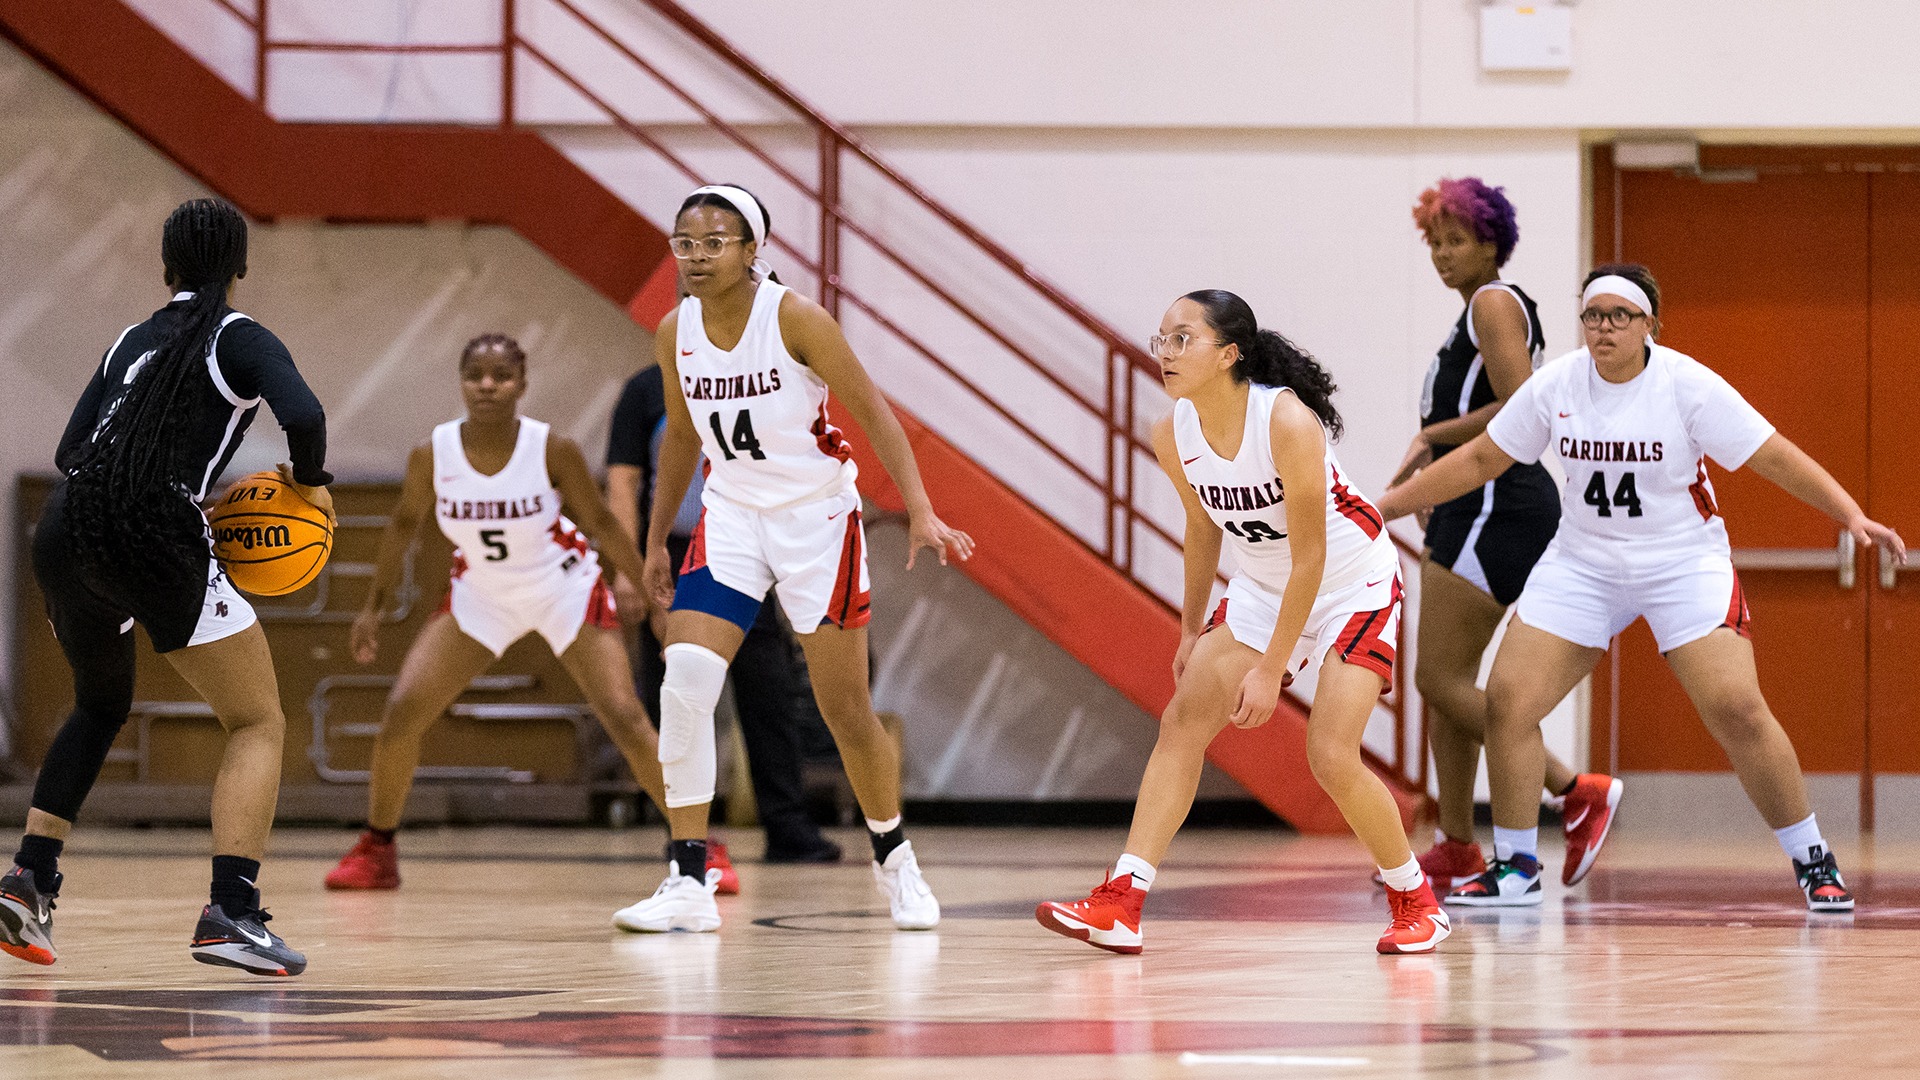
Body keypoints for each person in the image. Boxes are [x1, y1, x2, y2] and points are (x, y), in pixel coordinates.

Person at [1378, 264, 1905, 910]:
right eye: (1593, 315)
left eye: (1619, 316)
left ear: (1649, 324)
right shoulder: (1558, 385)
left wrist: (1848, 513)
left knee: (1737, 707)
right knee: (1509, 700)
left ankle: (1812, 858)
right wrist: (1389, 505)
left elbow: (1772, 453)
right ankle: (1515, 867)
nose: (1603, 327)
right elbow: (1485, 456)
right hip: (1584, 562)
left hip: (1681, 561)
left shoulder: (1686, 385)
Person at [1035, 289, 1450, 956]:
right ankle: (1122, 901)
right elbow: (1203, 526)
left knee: (1331, 753)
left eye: (1183, 339)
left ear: (1228, 354)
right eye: (1161, 339)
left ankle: (1416, 901)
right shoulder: (1171, 431)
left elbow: (1311, 557)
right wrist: (1190, 627)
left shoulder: (1286, 422)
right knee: (1182, 720)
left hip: (1351, 584)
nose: (1165, 353)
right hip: (1262, 585)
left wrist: (1268, 669)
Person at [611, 183, 973, 934]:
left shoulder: (797, 319)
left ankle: (894, 857)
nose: (698, 256)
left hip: (816, 519)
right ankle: (687, 877)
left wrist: (922, 509)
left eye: (716, 242)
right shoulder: (674, 329)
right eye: (686, 243)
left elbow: (874, 413)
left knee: (845, 710)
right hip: (733, 516)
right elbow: (680, 436)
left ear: (752, 250)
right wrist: (652, 543)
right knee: (686, 680)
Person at [0, 198, 324, 976]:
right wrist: (311, 486)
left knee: (99, 703)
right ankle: (231, 913)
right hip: (152, 533)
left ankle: (28, 879)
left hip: (68, 525)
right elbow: (305, 416)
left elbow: (72, 446)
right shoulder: (240, 337)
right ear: (239, 269)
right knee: (256, 721)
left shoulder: (129, 340)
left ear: (166, 267)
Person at [321, 335, 738, 893]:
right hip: (482, 594)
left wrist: (650, 590)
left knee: (625, 715)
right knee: (402, 710)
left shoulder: (550, 449)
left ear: (522, 383)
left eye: (501, 375)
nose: (488, 385)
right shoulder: (433, 454)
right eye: (476, 375)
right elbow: (401, 529)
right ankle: (379, 847)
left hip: (562, 586)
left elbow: (604, 525)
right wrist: (371, 609)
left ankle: (699, 847)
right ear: (461, 382)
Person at [1392, 177, 1620, 892]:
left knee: (1437, 677)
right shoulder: (1478, 311)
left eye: (1457, 240)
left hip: (1497, 501)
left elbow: (1522, 408)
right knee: (1446, 680)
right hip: (1477, 501)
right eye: (1434, 241)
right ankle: (1457, 843)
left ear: (1492, 243)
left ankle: (1572, 787)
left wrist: (1430, 437)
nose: (1443, 254)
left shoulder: (1494, 301)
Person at [606, 364, 842, 864]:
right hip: (672, 551)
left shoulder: (763, 375)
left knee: (769, 690)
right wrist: (630, 568)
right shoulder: (645, 388)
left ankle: (787, 824)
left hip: (744, 542)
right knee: (678, 692)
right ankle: (687, 835)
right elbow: (623, 483)